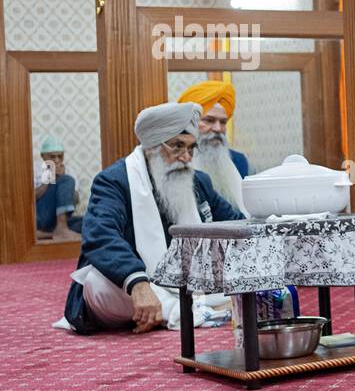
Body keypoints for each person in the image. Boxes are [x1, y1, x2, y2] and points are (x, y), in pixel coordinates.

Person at [60, 102, 244, 335]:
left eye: (191, 148)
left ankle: (173, 310)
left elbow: (235, 223)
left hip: (186, 286)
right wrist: (138, 283)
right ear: (151, 147)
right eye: (177, 147)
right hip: (137, 285)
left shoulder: (198, 181)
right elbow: (100, 236)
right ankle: (190, 311)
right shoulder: (114, 181)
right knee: (98, 283)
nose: (186, 157)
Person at [178, 79, 251, 213]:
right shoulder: (175, 162)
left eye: (223, 122)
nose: (218, 128)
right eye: (209, 120)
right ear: (189, 123)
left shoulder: (239, 161)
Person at [33, 135, 82, 241]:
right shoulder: (35, 169)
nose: (56, 160)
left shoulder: (69, 170)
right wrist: (49, 180)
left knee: (89, 222)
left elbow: (76, 200)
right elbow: (29, 199)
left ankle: (47, 233)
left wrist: (63, 182)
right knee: (67, 180)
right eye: (52, 157)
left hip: (57, 218)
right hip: (40, 217)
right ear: (43, 156)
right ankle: (61, 229)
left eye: (60, 156)